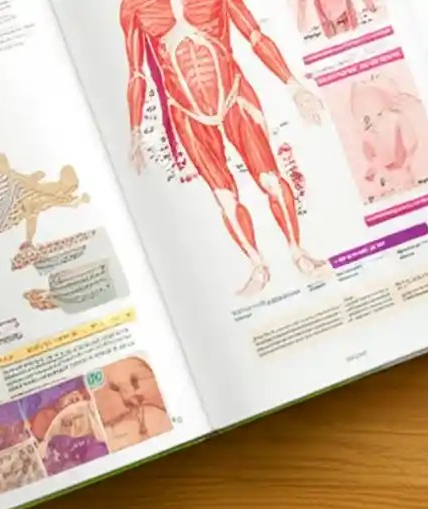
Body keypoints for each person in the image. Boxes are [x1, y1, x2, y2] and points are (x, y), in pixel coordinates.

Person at [121, 0, 326, 296]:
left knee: (270, 180)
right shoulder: (133, 6)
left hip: (234, 96)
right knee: (225, 197)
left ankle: (298, 252)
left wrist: (294, 86)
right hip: (187, 112)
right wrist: (135, 130)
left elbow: (254, 35)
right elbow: (136, 72)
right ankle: (257, 265)